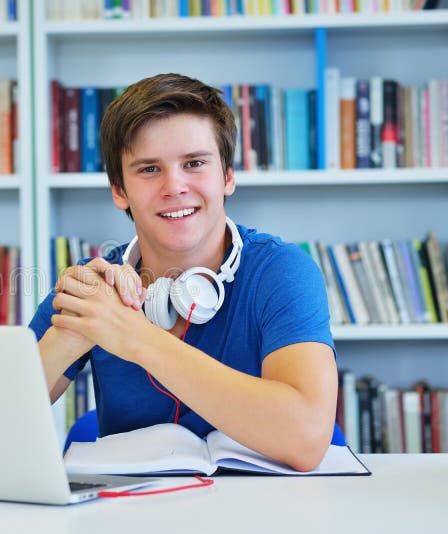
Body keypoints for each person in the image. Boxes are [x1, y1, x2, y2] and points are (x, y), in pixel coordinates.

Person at [28, 73, 338, 472]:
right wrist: (68, 335)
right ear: (119, 190)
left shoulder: (281, 271)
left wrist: (136, 338)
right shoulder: (97, 288)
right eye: (149, 169)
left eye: (194, 163)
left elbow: (307, 438)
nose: (175, 186)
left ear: (227, 176)